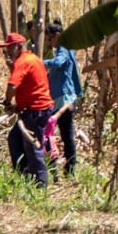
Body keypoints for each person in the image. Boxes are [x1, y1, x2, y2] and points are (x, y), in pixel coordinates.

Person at [1, 32, 53, 187]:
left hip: (35, 111)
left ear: (18, 47)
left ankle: (40, 184)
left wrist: (7, 102)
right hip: (36, 109)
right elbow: (33, 86)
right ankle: (25, 174)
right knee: (15, 139)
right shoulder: (35, 59)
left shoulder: (22, 62)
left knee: (33, 146)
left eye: (10, 48)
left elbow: (12, 85)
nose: (8, 52)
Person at [43, 20, 84, 176]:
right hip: (61, 97)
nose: (49, 42)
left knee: (64, 135)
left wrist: (41, 63)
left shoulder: (63, 49)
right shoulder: (66, 49)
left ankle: (70, 168)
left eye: (50, 38)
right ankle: (68, 168)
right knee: (63, 134)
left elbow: (59, 62)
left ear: (58, 36)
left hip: (63, 98)